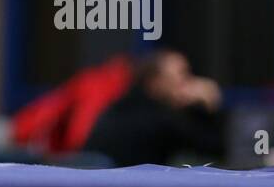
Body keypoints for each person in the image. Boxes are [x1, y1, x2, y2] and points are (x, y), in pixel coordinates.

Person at [83, 50, 224, 167]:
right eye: (183, 76)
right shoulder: (158, 119)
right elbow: (214, 149)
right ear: (155, 82)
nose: (190, 85)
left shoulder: (121, 105)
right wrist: (208, 108)